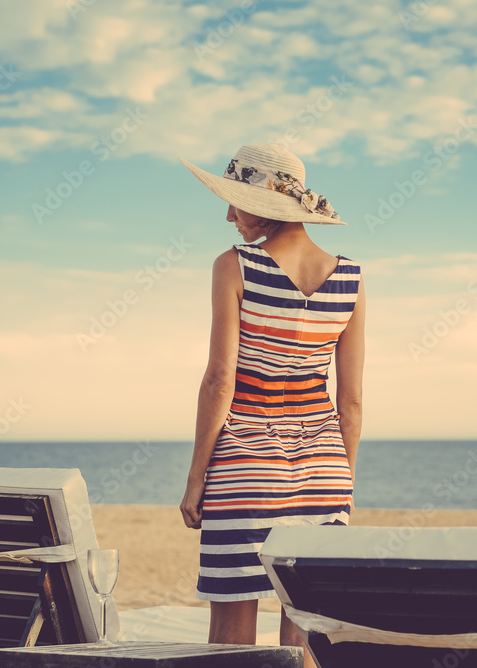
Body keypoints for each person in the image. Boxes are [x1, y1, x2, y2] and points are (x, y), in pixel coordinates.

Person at [177, 143, 365, 664]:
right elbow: (349, 401)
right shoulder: (350, 277)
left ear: (265, 203)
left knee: (231, 637)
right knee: (303, 632)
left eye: (236, 201)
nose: (229, 214)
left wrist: (197, 478)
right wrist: (341, 484)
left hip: (245, 469)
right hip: (325, 470)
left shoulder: (235, 266)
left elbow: (219, 380)